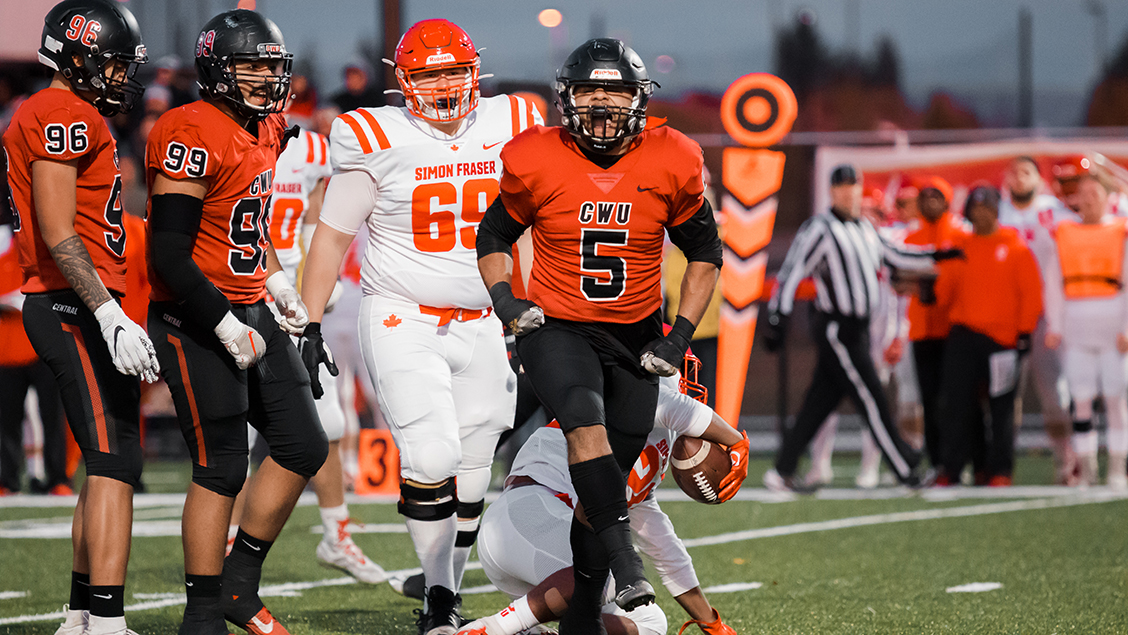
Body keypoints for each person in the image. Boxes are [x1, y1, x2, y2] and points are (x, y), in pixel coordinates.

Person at [299, 19, 542, 634]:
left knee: (475, 462)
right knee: (431, 452)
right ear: (403, 79)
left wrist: (531, 307)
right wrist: (305, 324)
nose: (443, 86)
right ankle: (438, 595)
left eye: (453, 71)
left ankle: (446, 590)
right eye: (429, 74)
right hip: (401, 314)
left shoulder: (512, 120)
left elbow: (533, 223)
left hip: (487, 317)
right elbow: (330, 240)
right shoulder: (369, 132)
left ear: (474, 72)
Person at [476, 38, 723, 633]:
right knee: (583, 422)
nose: (603, 103)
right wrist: (507, 300)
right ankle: (627, 563)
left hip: (636, 336)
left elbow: (705, 254)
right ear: (568, 99)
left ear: (639, 99)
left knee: (602, 483)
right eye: (590, 90)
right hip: (557, 326)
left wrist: (678, 335)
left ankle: (582, 616)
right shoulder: (536, 155)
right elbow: (493, 237)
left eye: (615, 90)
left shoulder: (672, 156)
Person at [144, 10, 328, 635]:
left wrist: (277, 281)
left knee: (304, 444)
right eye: (249, 65)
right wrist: (224, 323)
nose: (264, 77)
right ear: (215, 69)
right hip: (195, 312)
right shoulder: (189, 128)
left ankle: (238, 587)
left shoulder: (265, 125)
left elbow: (246, 219)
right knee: (220, 465)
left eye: (271, 66)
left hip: (252, 301)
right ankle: (201, 614)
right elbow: (168, 253)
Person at [2, 1, 155, 633]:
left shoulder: (70, 113)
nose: (121, 76)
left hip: (78, 299)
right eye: (113, 63)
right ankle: (108, 621)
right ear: (77, 55)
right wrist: (108, 314)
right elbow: (59, 232)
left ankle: (78, 613)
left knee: (102, 462)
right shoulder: (61, 113)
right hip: (71, 301)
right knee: (115, 465)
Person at [457, 361, 744, 635]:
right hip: (526, 517)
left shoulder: (653, 448)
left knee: (650, 621)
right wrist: (737, 442)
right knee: (600, 569)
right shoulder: (623, 397)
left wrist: (711, 622)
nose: (686, 381)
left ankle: (529, 628)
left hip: (544, 551)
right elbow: (675, 407)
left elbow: (666, 550)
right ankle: (493, 628)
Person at [762, 165, 947, 493]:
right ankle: (906, 468)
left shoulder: (865, 227)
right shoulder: (820, 228)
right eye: (842, 186)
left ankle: (781, 470)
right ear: (832, 192)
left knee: (819, 403)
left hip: (860, 328)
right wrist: (778, 316)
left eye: (853, 185)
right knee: (871, 397)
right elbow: (792, 272)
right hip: (838, 327)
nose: (848, 192)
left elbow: (895, 255)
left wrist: (937, 256)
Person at [266, 124, 383, 581]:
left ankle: (337, 535)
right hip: (242, 293)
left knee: (330, 419)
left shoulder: (312, 147)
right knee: (236, 436)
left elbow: (315, 223)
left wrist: (317, 285)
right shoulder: (231, 140)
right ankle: (228, 540)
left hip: (296, 301)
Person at [934, 185, 1042, 486]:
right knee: (957, 406)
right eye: (975, 208)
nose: (981, 213)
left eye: (987, 207)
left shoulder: (1016, 248)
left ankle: (1000, 470)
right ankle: (954, 468)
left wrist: (1024, 332)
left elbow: (1031, 294)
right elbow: (944, 292)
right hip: (963, 335)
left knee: (1001, 409)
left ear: (997, 211)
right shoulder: (959, 247)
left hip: (1002, 340)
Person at [1043, 174, 1128, 488]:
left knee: (1116, 398)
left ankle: (1117, 468)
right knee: (1080, 398)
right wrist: (1055, 324)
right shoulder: (1063, 233)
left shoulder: (1121, 231)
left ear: (1108, 198)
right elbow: (1053, 283)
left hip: (1112, 321)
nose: (1089, 199)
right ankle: (1087, 468)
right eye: (1084, 194)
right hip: (1077, 322)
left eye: (1095, 193)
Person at [998, 156, 1077, 483]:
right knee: (1004, 395)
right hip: (1007, 316)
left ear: (1039, 179)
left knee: (1055, 393)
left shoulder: (1054, 212)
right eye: (1014, 172)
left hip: (1046, 316)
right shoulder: (996, 212)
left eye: (1026, 172)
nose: (1019, 178)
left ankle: (1067, 461)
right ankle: (1002, 466)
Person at [903, 177, 969, 472]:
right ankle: (937, 461)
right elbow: (897, 281)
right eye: (925, 197)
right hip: (921, 328)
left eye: (936, 196)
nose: (930, 202)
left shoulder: (961, 236)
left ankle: (959, 458)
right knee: (928, 400)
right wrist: (918, 284)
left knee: (954, 399)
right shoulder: (910, 239)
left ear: (947, 200)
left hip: (952, 327)